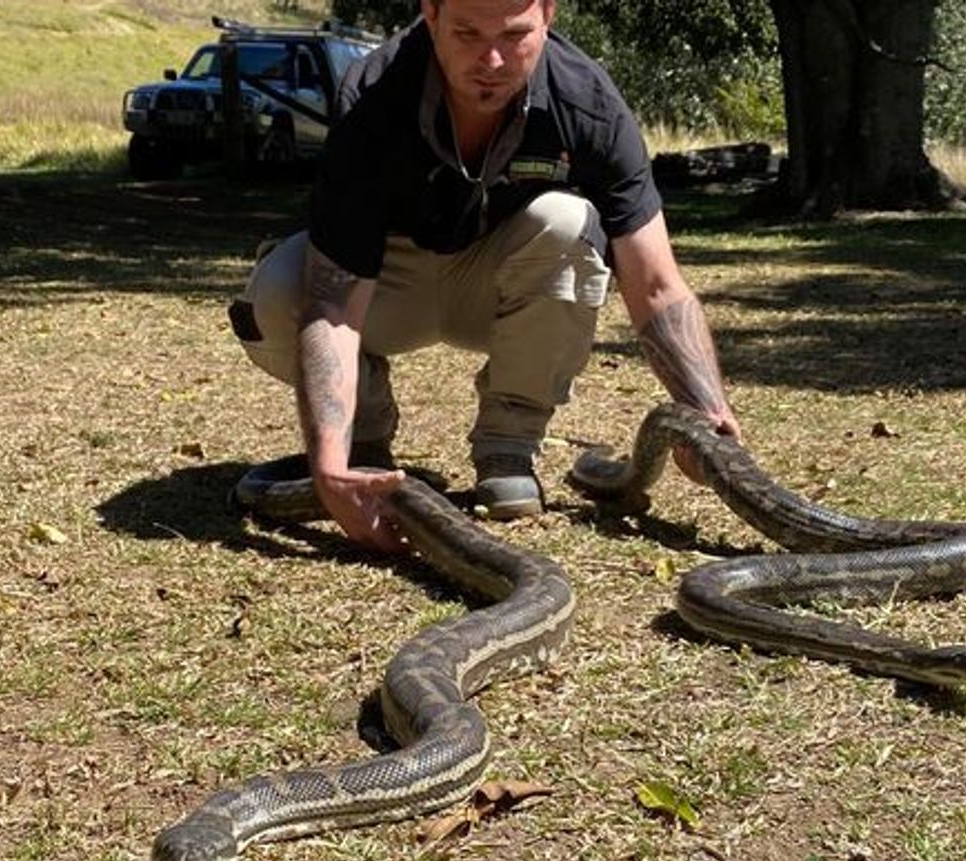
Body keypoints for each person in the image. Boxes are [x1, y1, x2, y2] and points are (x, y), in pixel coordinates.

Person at [228, 0, 739, 551]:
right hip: (390, 282)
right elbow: (333, 301)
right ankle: (363, 448)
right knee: (281, 288)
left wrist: (704, 410)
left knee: (569, 223)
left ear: (548, 15)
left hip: (502, 290)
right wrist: (327, 466)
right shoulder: (374, 94)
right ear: (430, 14)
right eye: (467, 33)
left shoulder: (587, 102)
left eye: (514, 34)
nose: (491, 59)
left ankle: (508, 449)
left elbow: (657, 284)